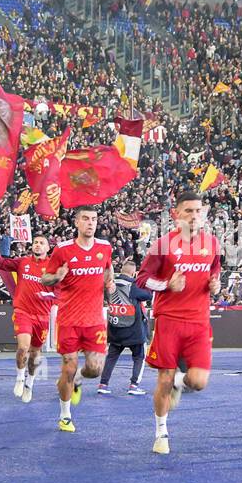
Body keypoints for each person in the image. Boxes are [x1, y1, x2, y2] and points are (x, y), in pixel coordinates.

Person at [135, 190, 221, 455]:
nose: (194, 216)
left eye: (198, 211)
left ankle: (178, 383)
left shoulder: (213, 243)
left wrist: (215, 284)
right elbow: (141, 280)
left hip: (198, 322)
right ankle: (161, 432)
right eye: (188, 211)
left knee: (198, 382)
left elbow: (215, 268)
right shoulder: (162, 244)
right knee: (163, 379)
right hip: (169, 320)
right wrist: (166, 284)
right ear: (176, 214)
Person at [40, 207, 113, 433]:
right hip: (69, 320)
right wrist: (56, 277)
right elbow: (45, 278)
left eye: (93, 219)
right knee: (68, 369)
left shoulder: (105, 247)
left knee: (94, 369)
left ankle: (79, 380)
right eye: (85, 219)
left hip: (94, 320)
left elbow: (108, 270)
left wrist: (109, 283)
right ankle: (65, 415)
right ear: (77, 223)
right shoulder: (62, 250)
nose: (90, 223)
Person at [0, 233, 55, 402]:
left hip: (42, 316)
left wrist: (47, 295)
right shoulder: (23, 262)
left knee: (35, 353)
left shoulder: (54, 267)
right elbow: (1, 263)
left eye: (41, 243)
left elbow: (62, 291)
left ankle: (29, 383)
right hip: (23, 312)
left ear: (48, 248)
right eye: (36, 242)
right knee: (23, 347)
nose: (38, 245)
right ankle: (20, 378)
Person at [98, 258, 152, 396]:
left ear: (121, 270)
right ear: (134, 274)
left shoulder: (111, 283)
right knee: (139, 357)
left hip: (115, 328)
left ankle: (103, 384)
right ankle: (134, 385)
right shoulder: (133, 286)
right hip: (134, 330)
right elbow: (147, 295)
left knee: (111, 356)